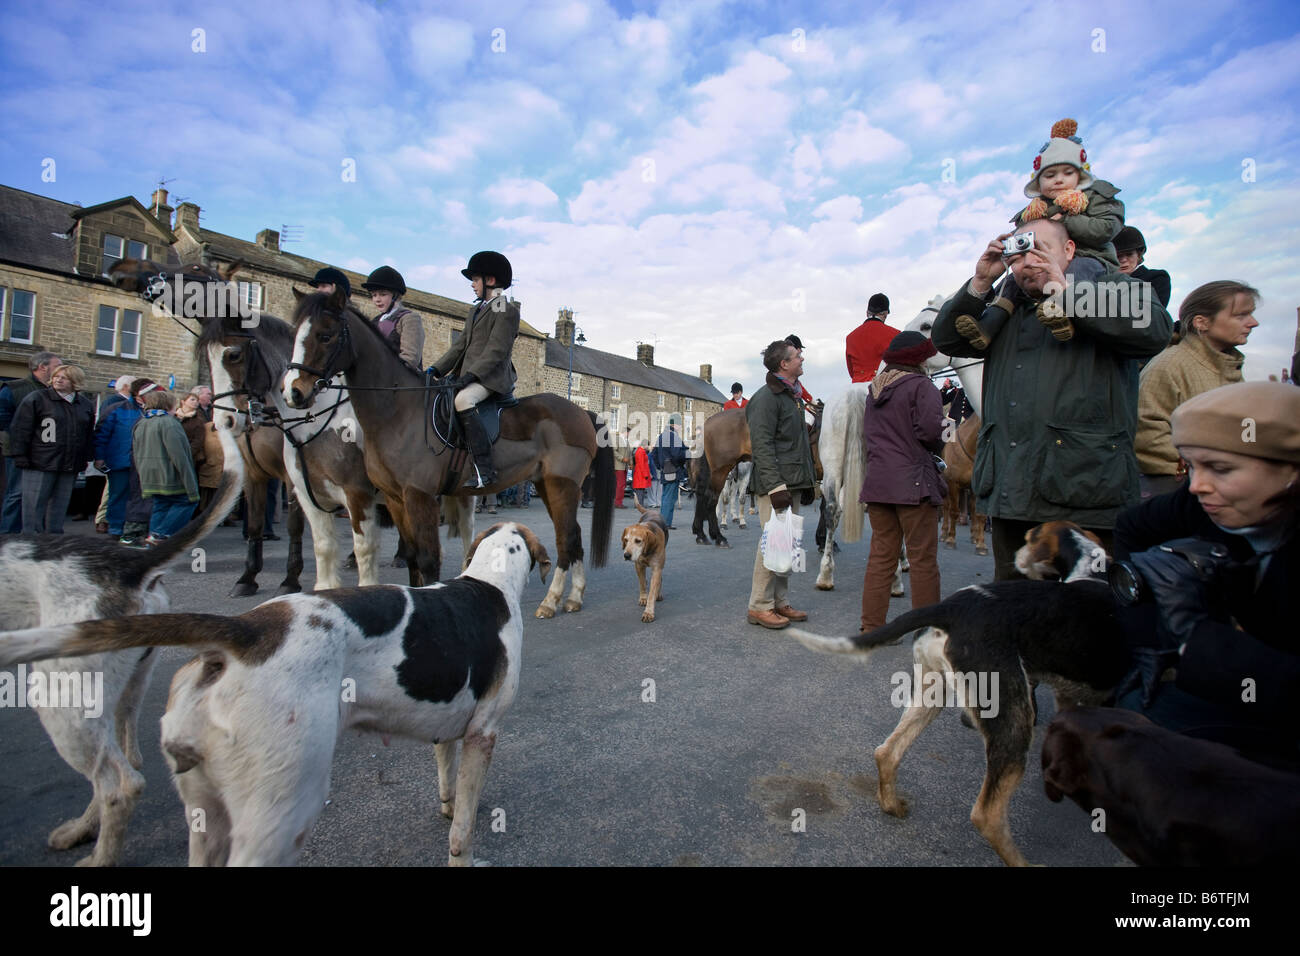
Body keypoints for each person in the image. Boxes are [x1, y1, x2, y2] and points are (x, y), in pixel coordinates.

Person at [931, 217, 1172, 580]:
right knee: (1014, 610)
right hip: (1012, 490)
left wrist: (1068, 293)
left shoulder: (1109, 286)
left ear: (1069, 249)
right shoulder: (1004, 309)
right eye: (1018, 255)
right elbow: (948, 341)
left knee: (1088, 612)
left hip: (1086, 493)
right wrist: (981, 282)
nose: (1028, 263)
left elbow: (1154, 329)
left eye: (1039, 250)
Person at [1114, 381, 1299, 764]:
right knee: (1128, 719)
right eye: (1191, 465)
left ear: (1291, 469)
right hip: (1246, 685)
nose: (1197, 485)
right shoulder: (1201, 502)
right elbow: (1132, 527)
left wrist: (1197, 640)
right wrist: (1149, 637)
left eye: (1220, 468)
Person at [955, 118, 1125, 350]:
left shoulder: (1097, 198)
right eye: (1050, 175)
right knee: (1012, 282)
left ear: (1080, 176)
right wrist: (1006, 248)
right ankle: (986, 327)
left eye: (1067, 172)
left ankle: (1064, 314)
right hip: (1044, 260)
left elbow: (1104, 230)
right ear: (1039, 181)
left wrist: (1065, 221)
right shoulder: (1034, 210)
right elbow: (1022, 240)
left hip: (1091, 257)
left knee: (1078, 270)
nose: (1058, 179)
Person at [858, 332, 948, 633]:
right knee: (922, 560)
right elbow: (930, 433)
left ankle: (872, 627)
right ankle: (926, 631)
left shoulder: (874, 390)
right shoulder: (922, 387)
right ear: (918, 359)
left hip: (879, 483)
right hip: (914, 485)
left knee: (881, 557)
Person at [1135, 281, 1255, 499]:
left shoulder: (1232, 368)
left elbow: (1247, 424)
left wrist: (1251, 456)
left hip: (1229, 487)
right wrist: (1202, 466)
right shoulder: (1169, 365)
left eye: (1251, 315)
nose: (1253, 323)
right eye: (1240, 316)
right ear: (1201, 322)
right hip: (1177, 489)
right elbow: (1146, 431)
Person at [429, 251, 520, 489]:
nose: (472, 284)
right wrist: (435, 369)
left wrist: (472, 375)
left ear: (490, 280)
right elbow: (459, 347)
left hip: (491, 377)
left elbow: (496, 350)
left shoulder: (505, 308)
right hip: (469, 375)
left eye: (475, 279)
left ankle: (484, 469)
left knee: (463, 401)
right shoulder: (476, 310)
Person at [745, 339, 816, 630]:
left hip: (793, 481)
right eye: (797, 356)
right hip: (776, 485)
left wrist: (808, 480)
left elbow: (796, 445)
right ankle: (759, 606)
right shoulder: (766, 398)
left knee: (787, 544)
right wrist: (775, 487)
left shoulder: (792, 397)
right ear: (783, 364)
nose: (802, 359)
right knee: (773, 543)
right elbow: (761, 446)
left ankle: (779, 601)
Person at [9, 363, 95, 534]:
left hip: (69, 464)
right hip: (39, 462)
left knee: (59, 507)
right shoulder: (37, 398)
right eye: (56, 376)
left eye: (64, 377)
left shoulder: (84, 404)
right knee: (33, 507)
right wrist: (20, 455)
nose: (58, 379)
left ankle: (54, 542)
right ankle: (32, 544)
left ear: (75, 381)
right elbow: (20, 429)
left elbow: (87, 434)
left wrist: (85, 458)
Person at [0, 350, 62, 532]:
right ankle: (7, 537)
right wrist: (28, 435)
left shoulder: (54, 392)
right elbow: (3, 418)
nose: (60, 371)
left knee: (40, 497)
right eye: (57, 366)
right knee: (17, 494)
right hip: (20, 452)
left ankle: (35, 538)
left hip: (46, 453)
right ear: (43, 367)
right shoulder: (14, 388)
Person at [132, 388, 199, 545]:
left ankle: (154, 538)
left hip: (149, 474)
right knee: (188, 502)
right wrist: (191, 484)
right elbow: (180, 456)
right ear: (168, 404)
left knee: (161, 504)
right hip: (170, 474)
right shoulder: (169, 423)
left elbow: (136, 451)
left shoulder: (141, 423)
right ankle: (161, 535)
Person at [94, 375, 147, 539]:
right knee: (118, 496)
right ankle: (116, 529)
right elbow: (101, 435)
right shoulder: (116, 409)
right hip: (120, 461)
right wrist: (99, 457)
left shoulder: (149, 411)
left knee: (138, 498)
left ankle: (132, 528)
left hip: (143, 463)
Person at [362, 266, 425, 372]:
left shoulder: (409, 319)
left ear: (396, 296)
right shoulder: (375, 321)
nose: (377, 299)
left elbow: (410, 359)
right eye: (374, 295)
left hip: (403, 381)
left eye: (383, 294)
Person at [845, 293, 902, 383]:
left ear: (867, 312)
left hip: (857, 387)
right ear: (885, 313)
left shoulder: (850, 337)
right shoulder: (896, 334)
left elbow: (851, 371)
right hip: (883, 385)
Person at [1114, 226, 1171, 308]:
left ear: (1139, 255)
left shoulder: (1157, 277)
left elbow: (1154, 313)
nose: (1123, 260)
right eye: (1118, 256)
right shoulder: (1102, 281)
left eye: (1129, 254)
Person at [651, 415, 687, 529]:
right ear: (674, 424)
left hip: (664, 470)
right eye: (680, 425)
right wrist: (685, 458)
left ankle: (664, 521)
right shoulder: (673, 436)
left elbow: (654, 454)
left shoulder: (661, 436)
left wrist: (660, 466)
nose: (680, 427)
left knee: (666, 496)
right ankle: (665, 523)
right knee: (669, 498)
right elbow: (677, 454)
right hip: (673, 470)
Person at [632, 439, 653, 508]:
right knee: (640, 490)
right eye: (648, 445)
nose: (648, 447)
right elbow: (641, 464)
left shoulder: (640, 451)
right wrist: (646, 474)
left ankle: (639, 504)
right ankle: (640, 504)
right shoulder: (641, 452)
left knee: (640, 489)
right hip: (640, 473)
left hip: (640, 472)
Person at [614, 433, 633, 508]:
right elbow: (614, 451)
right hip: (618, 466)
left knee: (623, 485)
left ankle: (619, 502)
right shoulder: (617, 439)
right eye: (628, 432)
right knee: (620, 485)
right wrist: (621, 458)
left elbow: (630, 454)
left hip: (625, 466)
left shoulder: (627, 441)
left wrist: (631, 463)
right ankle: (618, 503)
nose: (629, 434)